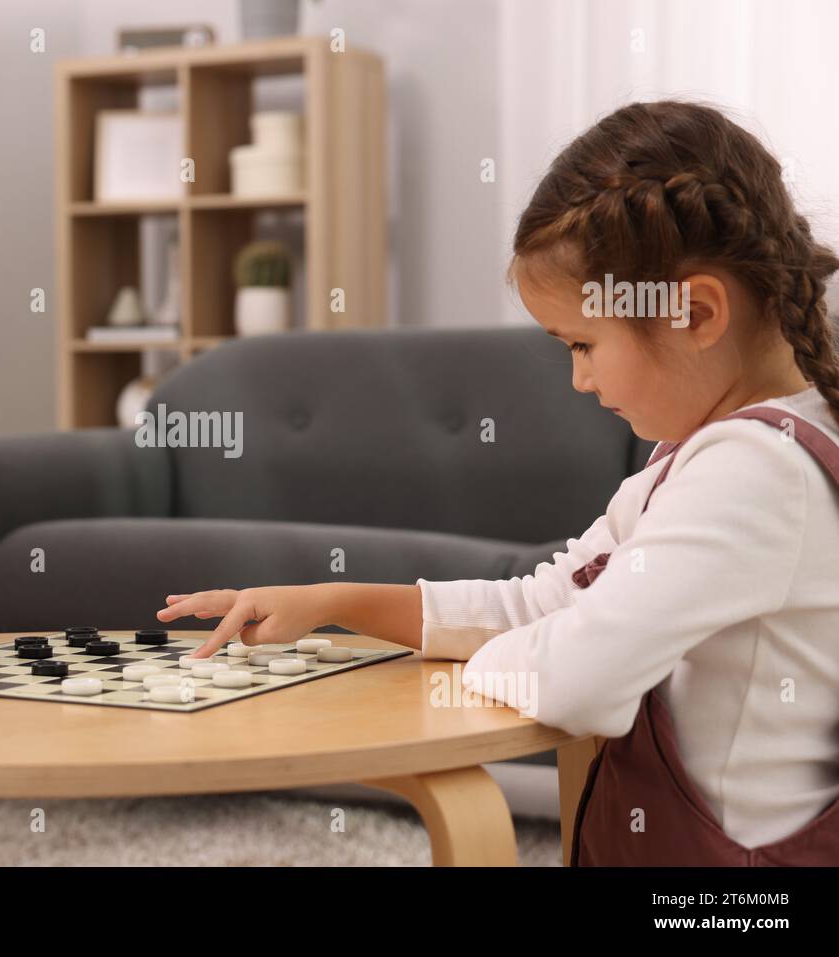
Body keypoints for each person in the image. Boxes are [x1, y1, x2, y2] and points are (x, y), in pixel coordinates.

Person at [160, 100, 839, 865]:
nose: (578, 380)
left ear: (697, 311)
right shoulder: (711, 454)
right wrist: (333, 604)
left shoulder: (755, 474)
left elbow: (576, 676)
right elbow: (545, 602)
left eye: (582, 344)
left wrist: (495, 660)